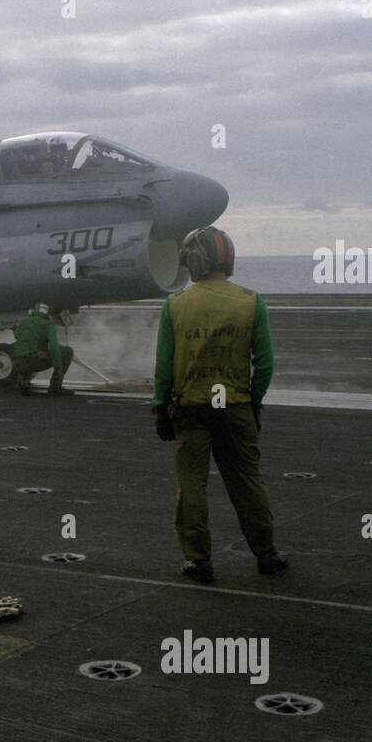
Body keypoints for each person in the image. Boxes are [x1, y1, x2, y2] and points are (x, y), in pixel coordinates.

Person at [152, 226, 288, 584]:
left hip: (191, 409)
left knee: (192, 486)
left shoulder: (175, 305)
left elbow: (164, 367)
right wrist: (252, 403)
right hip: (236, 406)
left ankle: (199, 561)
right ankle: (267, 555)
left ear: (195, 261)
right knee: (247, 482)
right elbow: (265, 365)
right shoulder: (251, 301)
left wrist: (160, 409)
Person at [10, 302, 74, 395]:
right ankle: (55, 387)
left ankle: (24, 382)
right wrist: (58, 368)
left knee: (27, 353)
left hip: (16, 364)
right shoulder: (48, 324)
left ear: (32, 312)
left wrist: (15, 329)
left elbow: (17, 336)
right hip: (33, 362)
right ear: (48, 315)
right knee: (68, 351)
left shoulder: (23, 322)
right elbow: (54, 347)